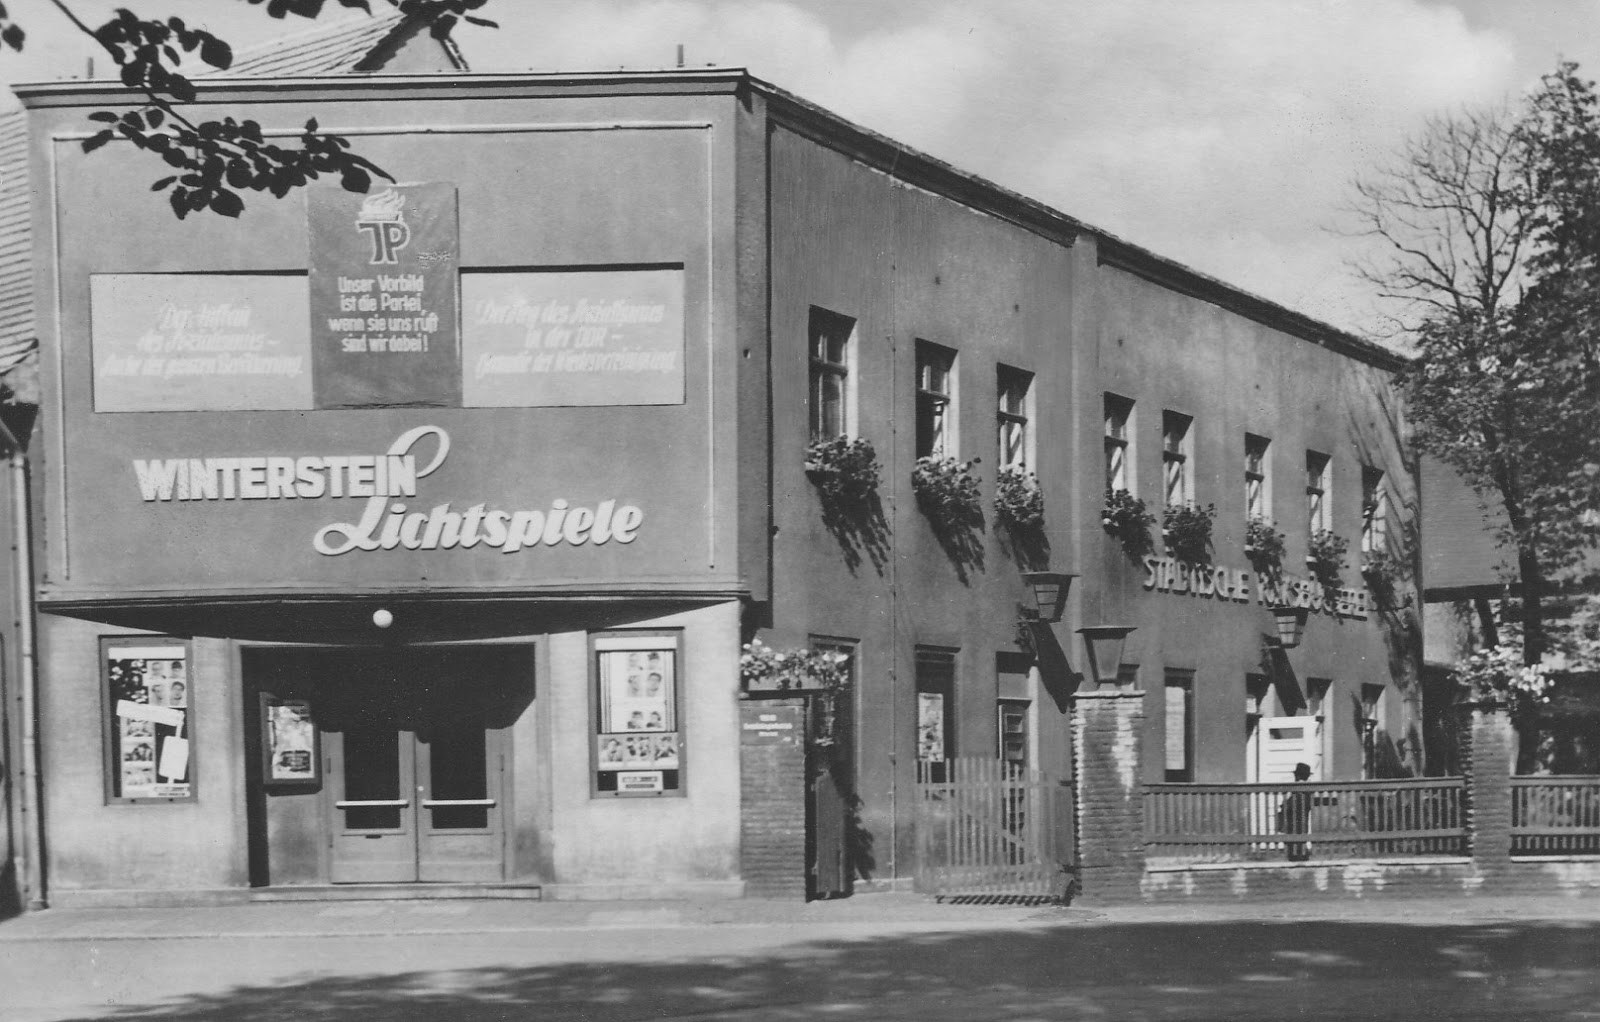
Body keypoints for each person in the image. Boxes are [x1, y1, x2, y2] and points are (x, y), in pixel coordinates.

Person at [1278, 762, 1314, 862]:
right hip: (1302, 821)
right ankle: (1300, 856)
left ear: (1297, 776)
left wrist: (1285, 804)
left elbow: (1289, 806)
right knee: (1300, 840)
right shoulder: (1308, 790)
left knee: (1294, 843)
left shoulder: (1297, 790)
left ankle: (1296, 857)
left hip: (1294, 821)